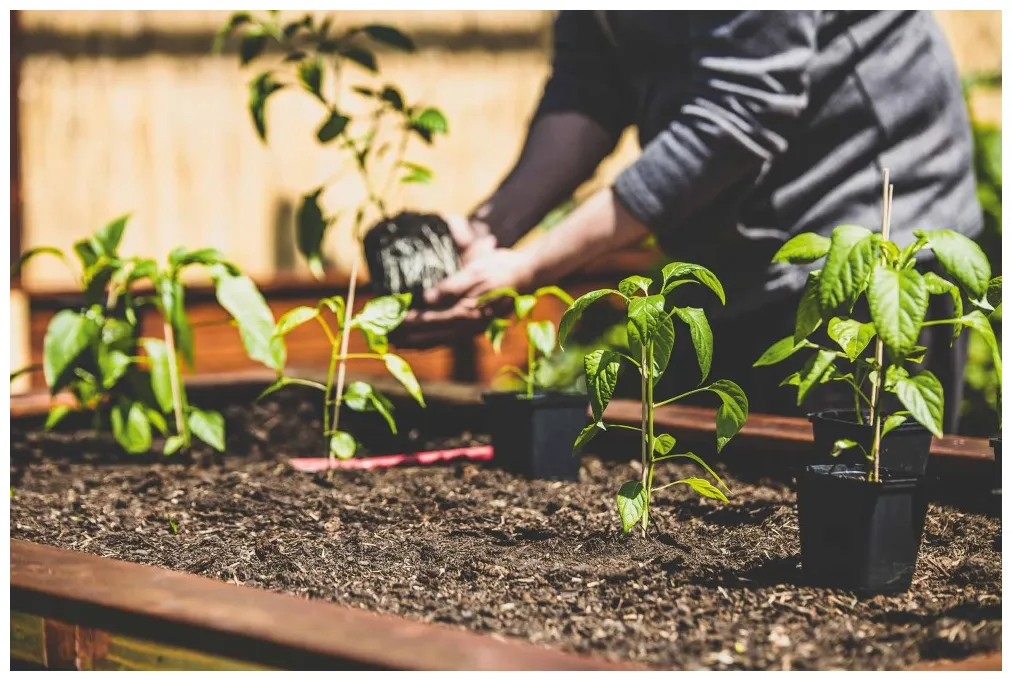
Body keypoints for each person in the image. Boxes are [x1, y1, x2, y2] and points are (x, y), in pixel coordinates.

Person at [396, 11, 982, 431]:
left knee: (858, 486)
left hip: (866, 215)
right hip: (732, 243)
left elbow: (739, 112)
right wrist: (493, 230)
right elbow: (589, 83)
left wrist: (532, 264)